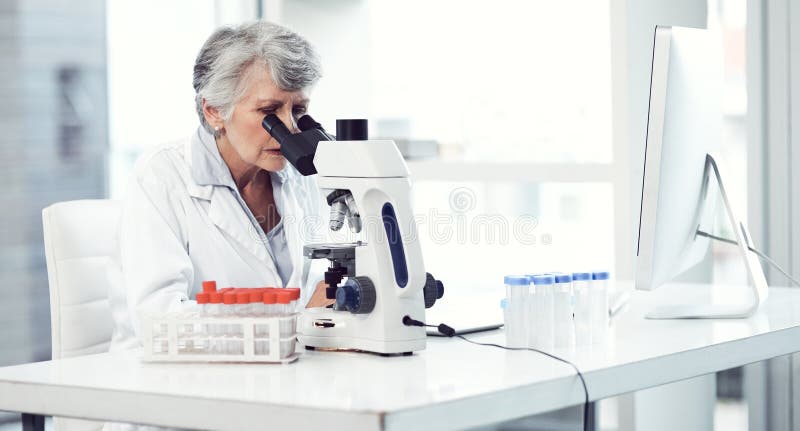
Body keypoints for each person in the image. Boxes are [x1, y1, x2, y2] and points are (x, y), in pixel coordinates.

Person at [109, 21, 332, 350]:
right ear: (214, 111)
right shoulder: (161, 176)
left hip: (276, 373)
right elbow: (158, 320)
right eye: (268, 111)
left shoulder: (297, 175)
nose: (290, 128)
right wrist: (293, 324)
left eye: (299, 110)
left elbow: (310, 287)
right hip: (174, 379)